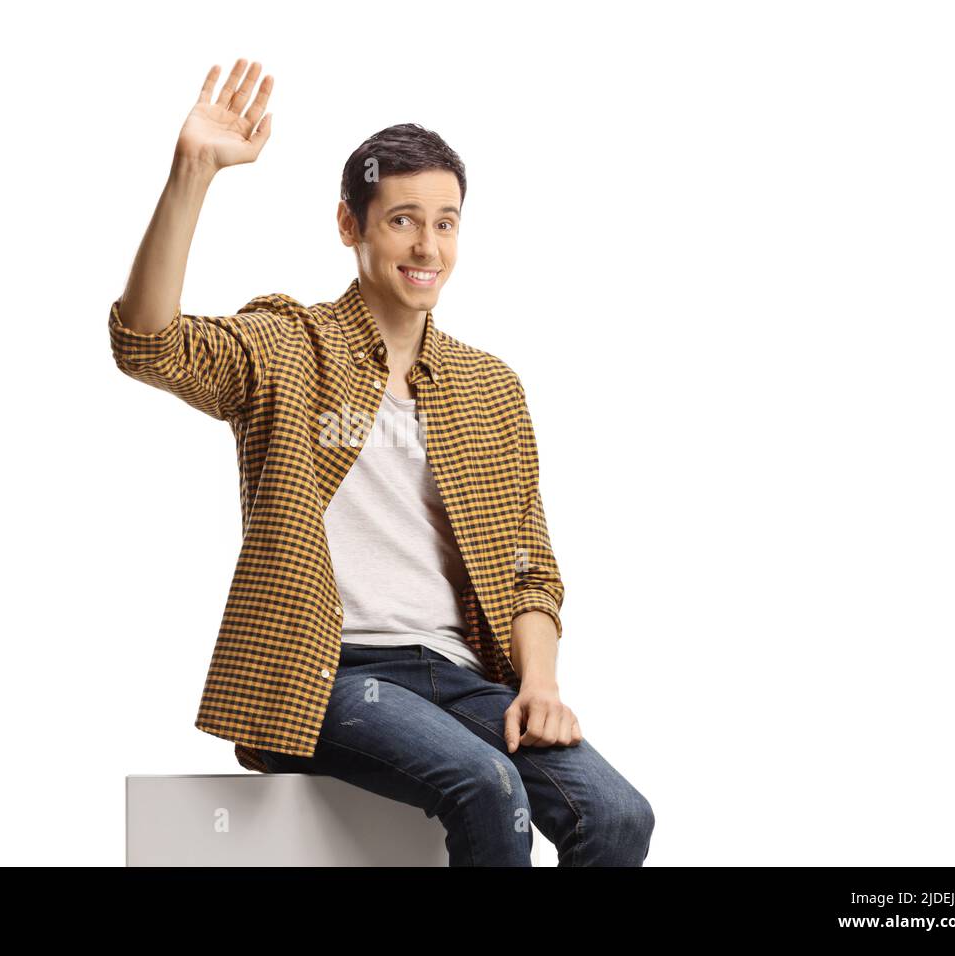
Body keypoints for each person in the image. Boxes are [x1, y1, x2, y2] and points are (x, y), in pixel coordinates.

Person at [108, 58, 654, 866]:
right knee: (487, 786)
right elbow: (147, 344)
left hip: (464, 677)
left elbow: (529, 566)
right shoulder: (287, 346)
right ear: (349, 225)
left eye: (446, 221)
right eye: (402, 220)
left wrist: (539, 683)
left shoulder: (489, 388)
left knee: (617, 818)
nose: (427, 245)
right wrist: (192, 171)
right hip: (325, 673)